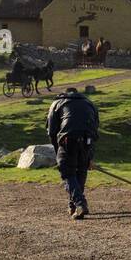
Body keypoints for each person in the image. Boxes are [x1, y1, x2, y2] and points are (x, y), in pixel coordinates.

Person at [47, 87, 99, 220]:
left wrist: (57, 150)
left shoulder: (57, 103)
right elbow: (94, 129)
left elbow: (52, 131)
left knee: (68, 172)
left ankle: (80, 203)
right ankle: (73, 205)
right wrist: (89, 156)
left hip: (68, 139)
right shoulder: (89, 103)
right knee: (81, 170)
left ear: (65, 93)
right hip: (87, 139)